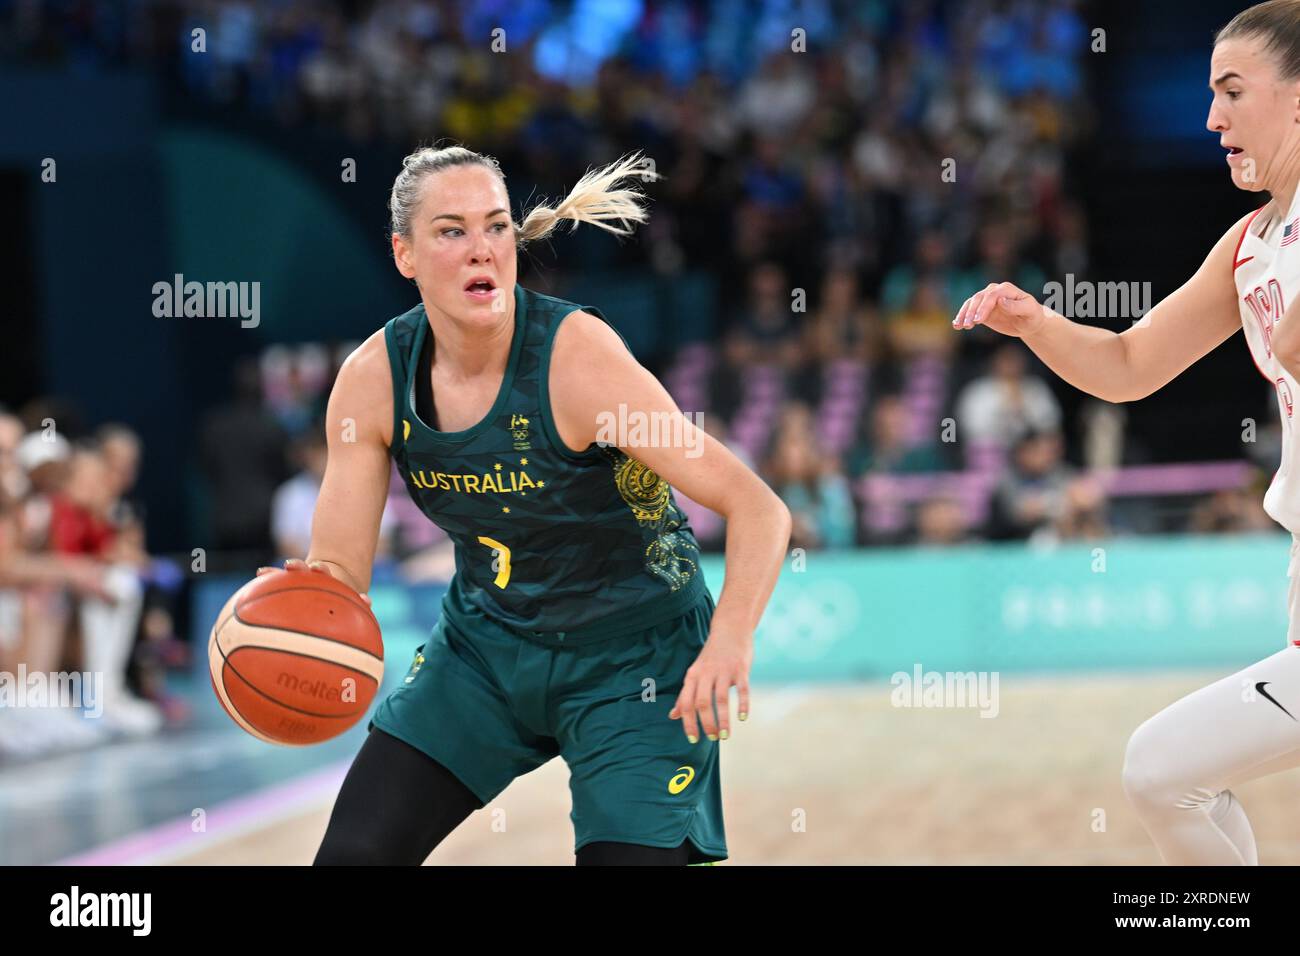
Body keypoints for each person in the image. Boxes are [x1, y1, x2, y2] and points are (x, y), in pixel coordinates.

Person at [265, 144, 791, 866]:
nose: (481, 248)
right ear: (404, 254)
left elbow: (758, 507)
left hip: (637, 660)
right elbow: (339, 574)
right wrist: (295, 615)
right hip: (486, 648)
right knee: (353, 857)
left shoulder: (579, 361)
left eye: (496, 226)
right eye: (451, 231)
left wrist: (730, 638)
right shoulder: (372, 381)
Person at [951, 0, 1300, 865]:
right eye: (1210, 94)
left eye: (1232, 92)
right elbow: (1130, 364)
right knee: (1172, 776)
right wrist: (1036, 324)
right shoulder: (1250, 245)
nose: (1212, 118)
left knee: (1161, 770)